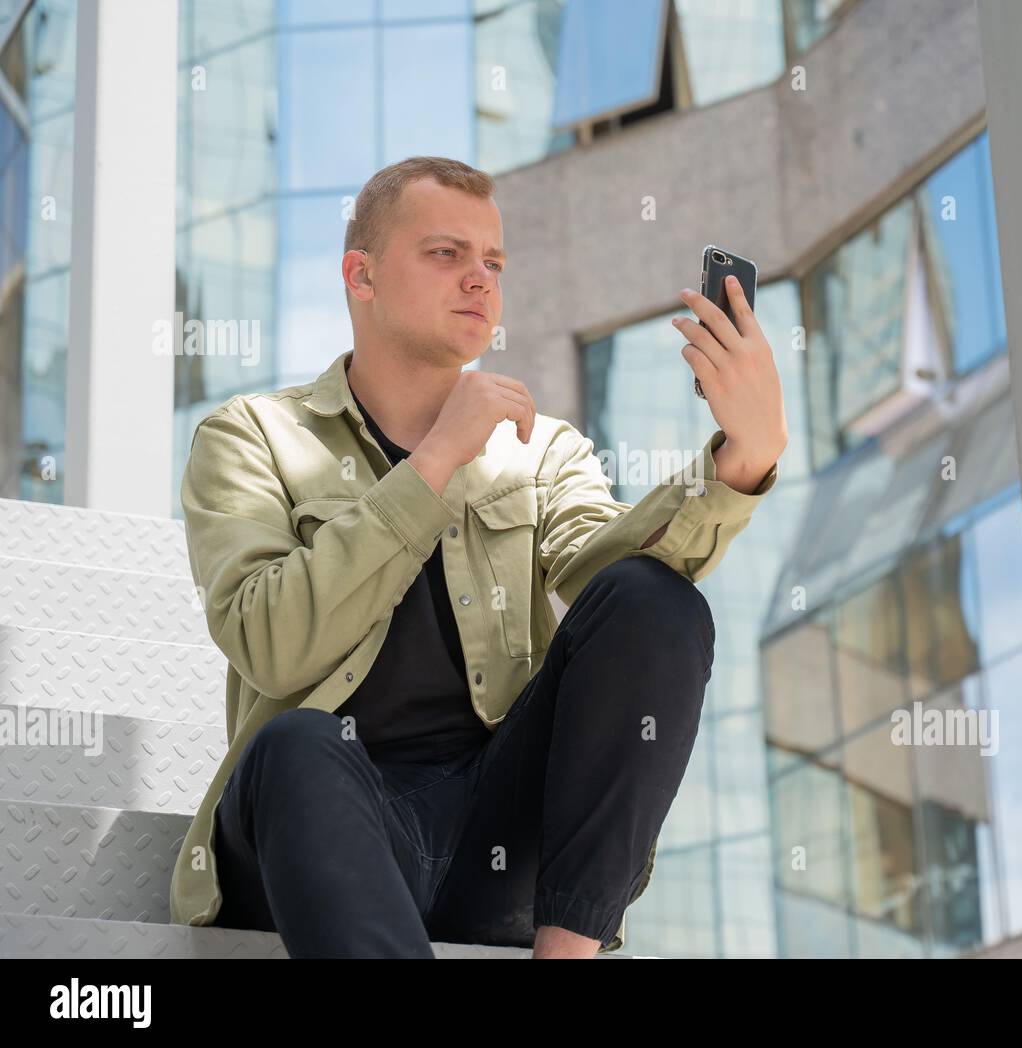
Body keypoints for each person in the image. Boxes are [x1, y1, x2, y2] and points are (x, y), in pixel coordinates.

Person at [169, 156, 786, 958]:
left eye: (493, 262)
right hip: (319, 827)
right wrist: (434, 464)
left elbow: (614, 598)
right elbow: (269, 641)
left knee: (652, 599)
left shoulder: (540, 448)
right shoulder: (250, 438)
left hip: (489, 848)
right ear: (361, 274)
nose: (480, 280)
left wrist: (745, 454)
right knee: (294, 743)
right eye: (446, 254)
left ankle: (567, 950)